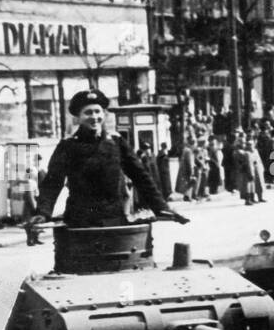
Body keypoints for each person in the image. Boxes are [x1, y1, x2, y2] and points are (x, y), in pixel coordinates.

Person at [30, 90, 183, 228]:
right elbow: (52, 182)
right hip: (80, 223)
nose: (94, 117)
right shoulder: (68, 146)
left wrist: (161, 208)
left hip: (114, 220)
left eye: (98, 112)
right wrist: (42, 213)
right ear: (78, 117)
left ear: (103, 114)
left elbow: (141, 177)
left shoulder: (116, 143)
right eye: (88, 113)